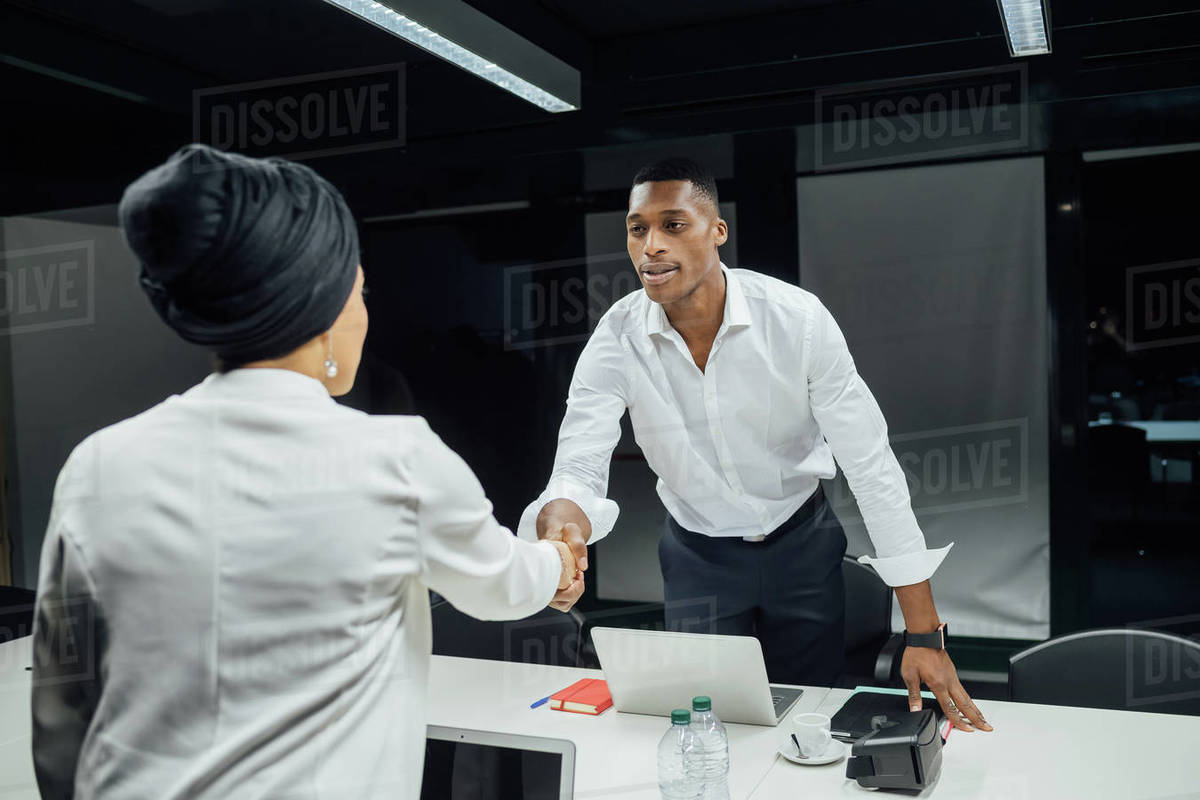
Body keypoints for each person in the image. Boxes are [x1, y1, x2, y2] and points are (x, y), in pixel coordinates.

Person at [30, 143, 579, 800]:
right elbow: (504, 585)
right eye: (360, 290)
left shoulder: (97, 466)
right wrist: (558, 558)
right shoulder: (396, 460)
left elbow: (63, 707)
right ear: (321, 305)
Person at [518, 157, 993, 734]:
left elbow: (871, 468)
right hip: (699, 558)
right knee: (707, 724)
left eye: (673, 225)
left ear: (717, 231)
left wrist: (923, 634)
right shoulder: (616, 338)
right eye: (637, 228)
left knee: (812, 721)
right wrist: (561, 531)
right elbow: (578, 463)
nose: (650, 247)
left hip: (803, 542)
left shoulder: (797, 321)